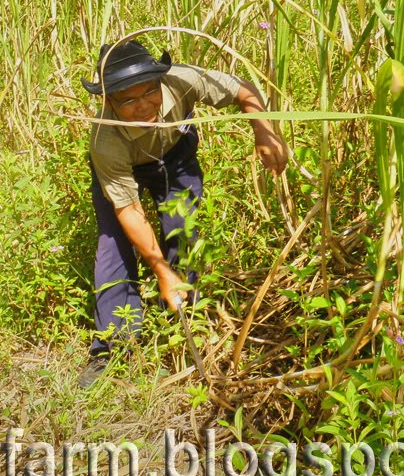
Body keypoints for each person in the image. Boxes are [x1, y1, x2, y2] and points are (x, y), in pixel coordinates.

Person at [78, 39, 288, 388]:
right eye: (128, 100)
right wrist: (159, 268)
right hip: (124, 169)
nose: (143, 105)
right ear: (108, 100)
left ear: (160, 81)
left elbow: (242, 90)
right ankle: (112, 349)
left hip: (174, 156)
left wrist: (264, 131)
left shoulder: (182, 79)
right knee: (113, 246)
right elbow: (129, 210)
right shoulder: (105, 140)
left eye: (150, 91)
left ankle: (184, 320)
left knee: (182, 230)